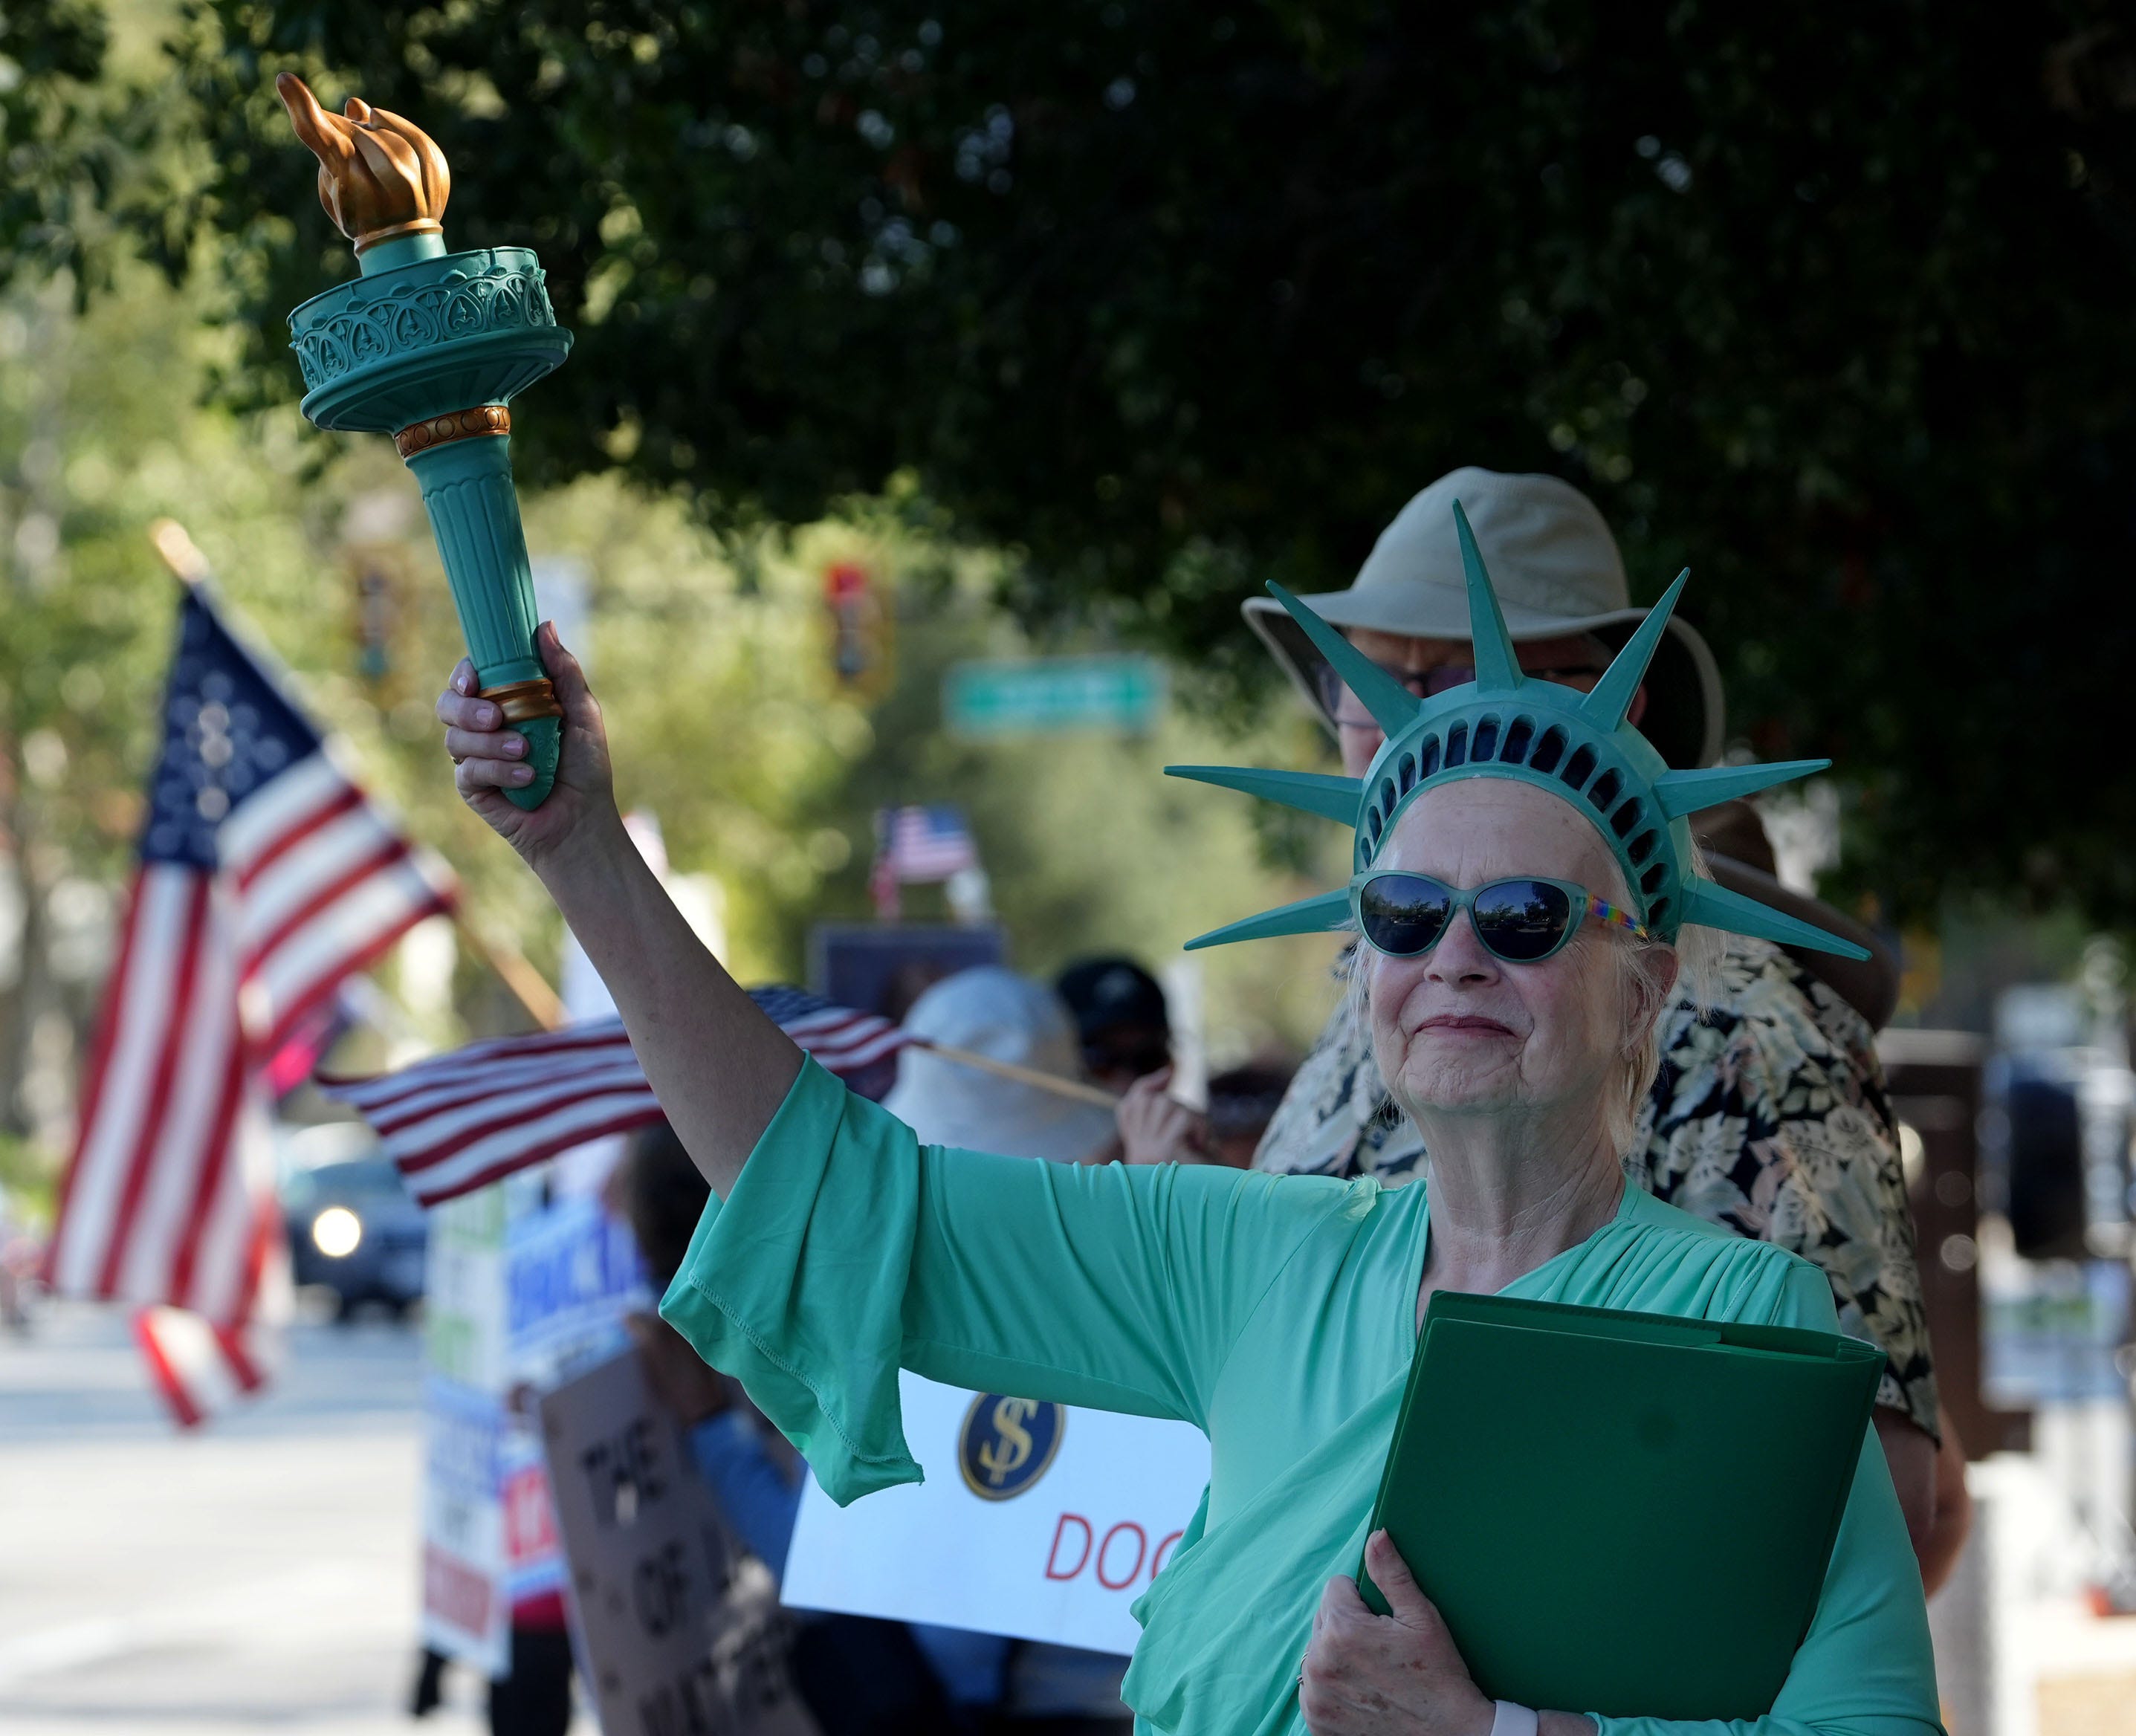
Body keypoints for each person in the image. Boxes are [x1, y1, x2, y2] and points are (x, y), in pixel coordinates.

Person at [435, 519, 1938, 1735]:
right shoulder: (1254, 1253)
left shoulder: (1743, 1313)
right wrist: (586, 856)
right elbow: (837, 1201)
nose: (1455, 958)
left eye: (1528, 918)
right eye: (1405, 916)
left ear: (1644, 988)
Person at [1122, 467, 1965, 1590]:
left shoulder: (1753, 1028)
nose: (1396, 714)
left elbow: (1883, 1510)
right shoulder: (1367, 990)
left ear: (1614, 705)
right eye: (1364, 674)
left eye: (1457, 672)